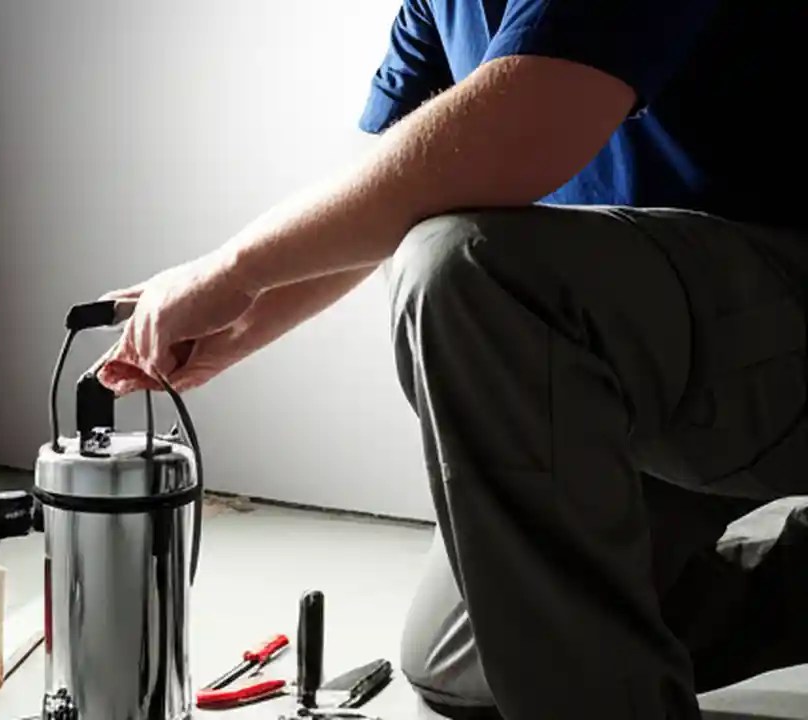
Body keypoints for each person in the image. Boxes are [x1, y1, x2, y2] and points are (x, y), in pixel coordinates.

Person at [95, 2, 808, 719]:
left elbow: (526, 124)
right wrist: (235, 321)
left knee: (465, 267)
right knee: (463, 664)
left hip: (775, 330)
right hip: (650, 372)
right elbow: (389, 194)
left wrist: (232, 269)